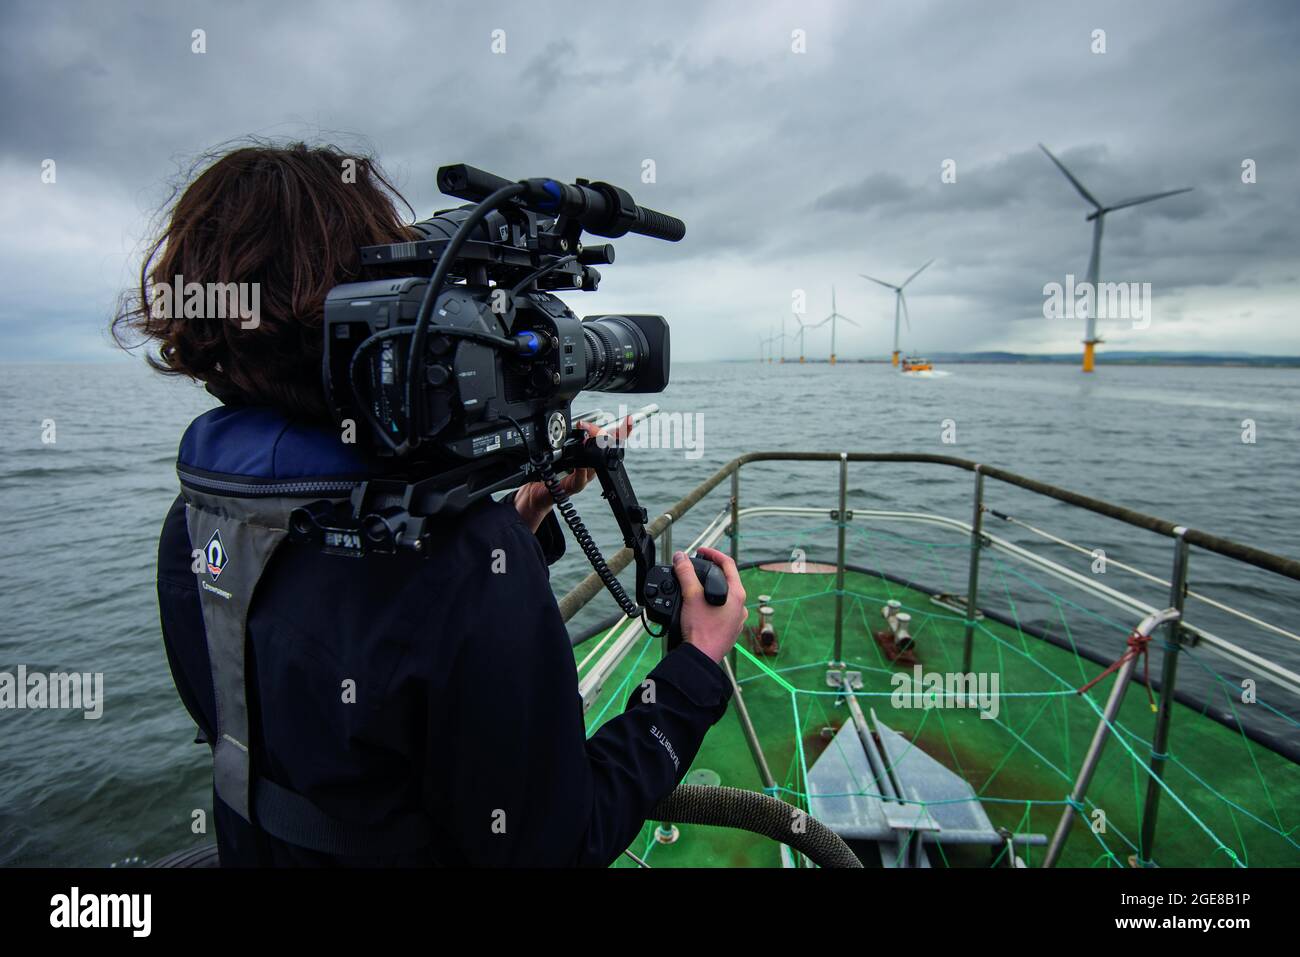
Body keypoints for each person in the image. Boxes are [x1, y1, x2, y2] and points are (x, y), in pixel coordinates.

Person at [113, 142, 747, 866]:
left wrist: (522, 517)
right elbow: (559, 844)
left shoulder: (197, 521)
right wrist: (696, 665)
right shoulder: (465, 563)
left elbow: (343, 642)